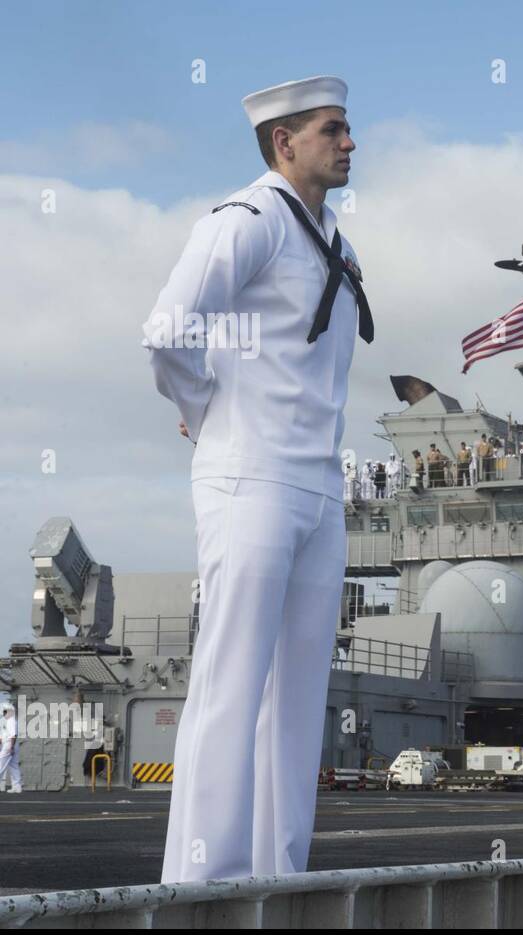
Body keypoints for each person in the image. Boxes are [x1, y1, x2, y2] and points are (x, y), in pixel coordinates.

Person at [145, 75, 371, 882]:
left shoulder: (336, 242)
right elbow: (168, 330)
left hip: (317, 488)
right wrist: (206, 408)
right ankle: (198, 887)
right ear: (285, 142)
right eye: (333, 130)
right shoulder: (247, 221)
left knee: (298, 701)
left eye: (347, 130)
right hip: (251, 478)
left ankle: (277, 882)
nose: (350, 143)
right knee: (231, 686)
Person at [0, 702, 21, 793]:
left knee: (0, 764)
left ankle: (16, 786)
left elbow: (13, 735)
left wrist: (11, 747)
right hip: (11, 745)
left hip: (9, 745)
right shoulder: (11, 721)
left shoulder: (10, 721)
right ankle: (17, 787)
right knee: (14, 766)